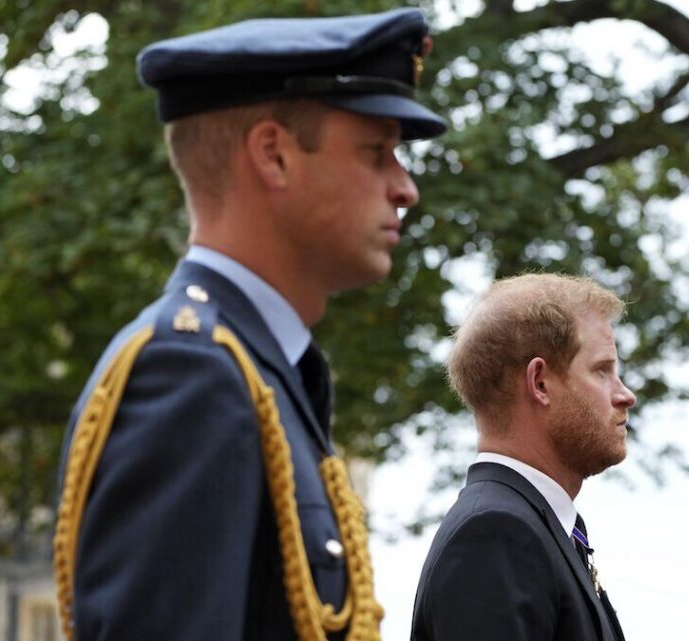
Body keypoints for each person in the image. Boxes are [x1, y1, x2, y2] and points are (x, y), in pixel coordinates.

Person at [51, 8, 446, 641]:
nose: (405, 188)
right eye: (377, 152)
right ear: (274, 155)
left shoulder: (260, 371)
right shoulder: (189, 374)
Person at [411, 273, 637, 641]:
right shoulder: (497, 534)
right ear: (540, 383)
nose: (625, 395)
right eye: (602, 370)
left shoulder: (530, 527)